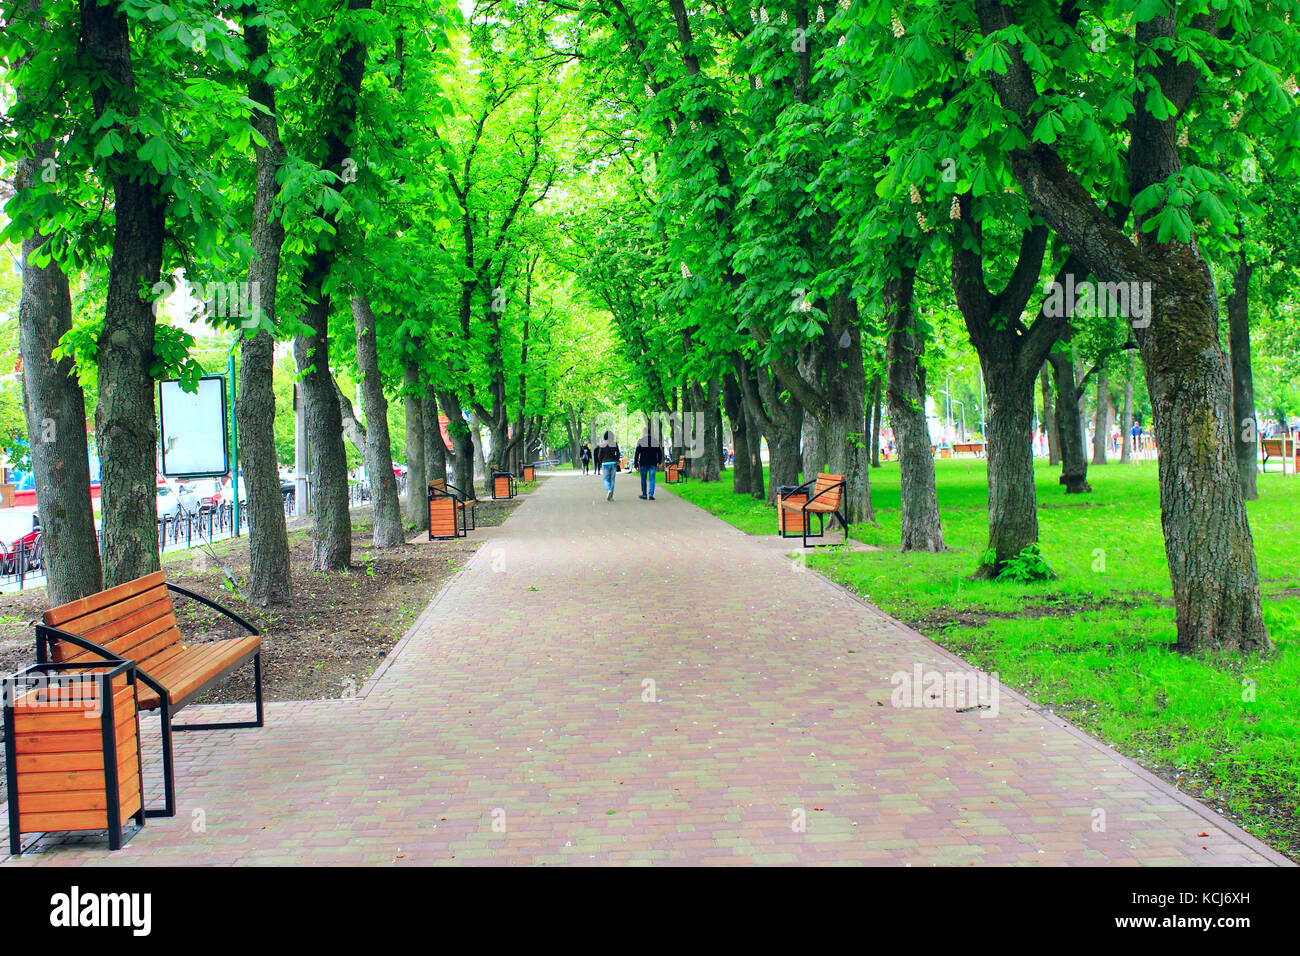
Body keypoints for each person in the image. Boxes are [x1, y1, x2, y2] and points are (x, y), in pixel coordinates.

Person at [633, 427, 664, 500]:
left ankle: (644, 494)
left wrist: (636, 463)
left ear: (644, 433)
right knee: (652, 479)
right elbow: (659, 452)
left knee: (643, 479)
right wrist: (659, 461)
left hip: (643, 463)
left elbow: (637, 453)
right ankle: (650, 495)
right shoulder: (654, 441)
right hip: (653, 462)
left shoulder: (640, 441)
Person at [594, 430, 621, 500]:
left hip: (605, 463)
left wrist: (601, 461)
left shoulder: (602, 444)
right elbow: (618, 453)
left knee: (606, 479)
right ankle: (611, 496)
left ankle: (608, 490)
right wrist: (616, 459)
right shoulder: (614, 444)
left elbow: (599, 455)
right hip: (613, 463)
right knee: (612, 480)